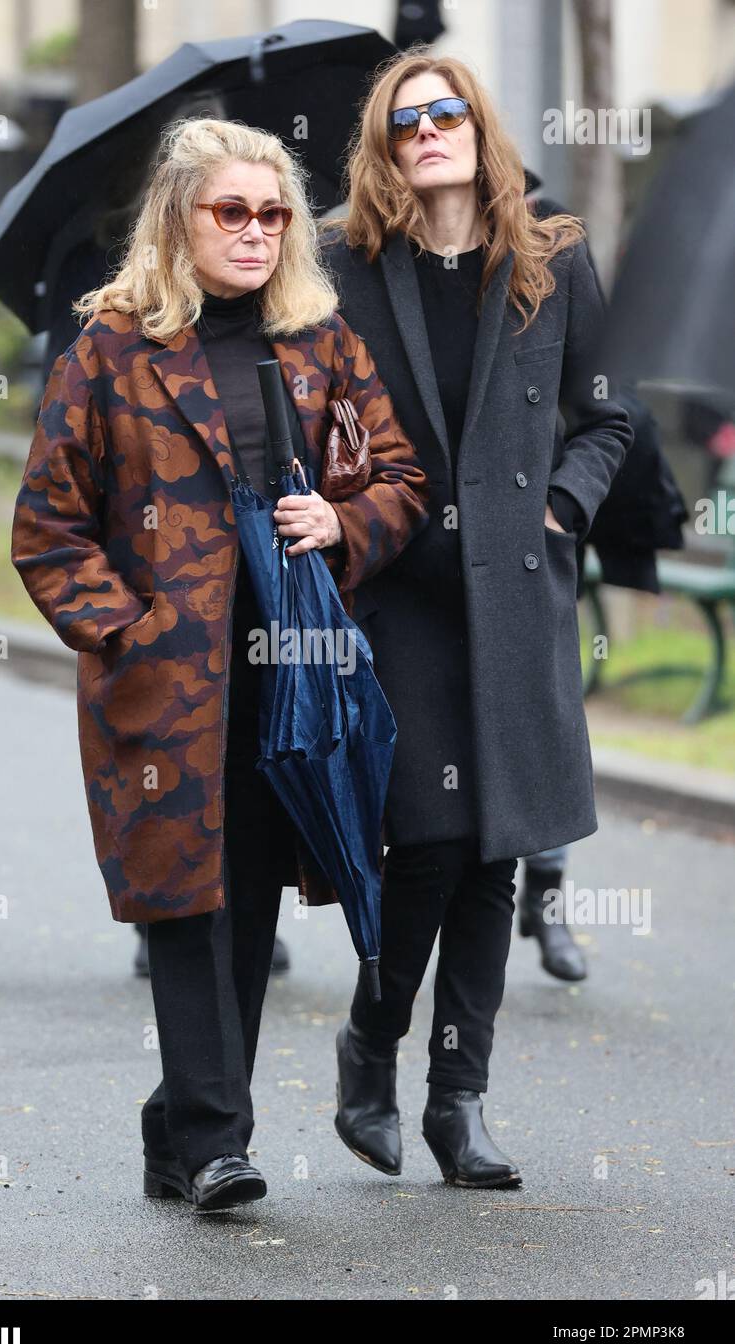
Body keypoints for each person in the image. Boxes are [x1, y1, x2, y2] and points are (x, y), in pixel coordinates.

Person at [11, 116, 428, 1212]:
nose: (255, 231)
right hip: (170, 681)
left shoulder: (318, 341)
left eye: (274, 212)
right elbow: (48, 530)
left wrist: (341, 525)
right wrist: (127, 629)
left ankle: (179, 1125)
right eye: (230, 211)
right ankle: (214, 1141)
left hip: (291, 664)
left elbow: (394, 476)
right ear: (178, 219)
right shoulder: (107, 347)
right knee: (182, 900)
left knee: (245, 892)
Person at [319, 49, 632, 1188]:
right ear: (386, 149)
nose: (431, 133)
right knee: (430, 842)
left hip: (512, 593)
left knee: (494, 851)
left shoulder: (549, 256)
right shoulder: (342, 260)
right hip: (397, 593)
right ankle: (370, 1039)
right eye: (408, 124)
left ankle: (458, 1101)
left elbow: (609, 416)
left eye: (447, 113)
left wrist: (559, 507)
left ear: (478, 126)